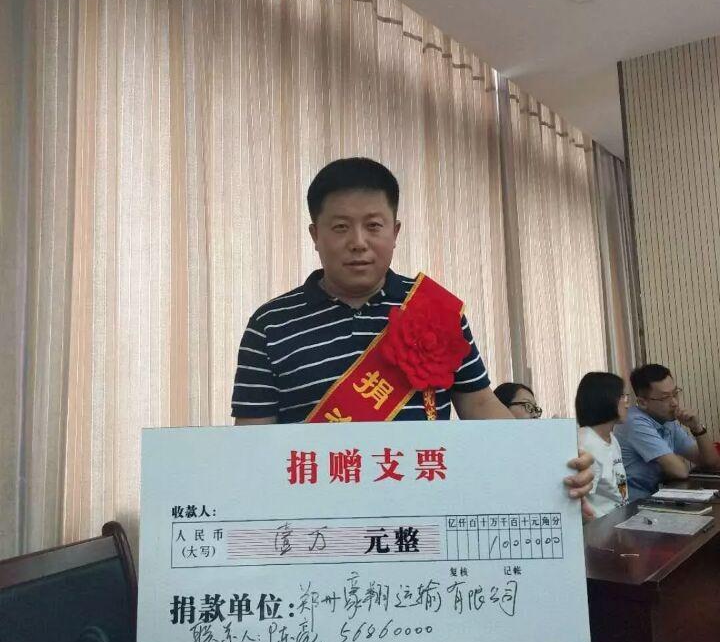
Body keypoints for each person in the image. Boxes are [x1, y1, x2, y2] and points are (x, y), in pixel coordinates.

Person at [231, 157, 594, 510]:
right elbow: (251, 442)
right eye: (340, 227)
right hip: (317, 521)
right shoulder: (269, 324)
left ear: (395, 232)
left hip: (423, 516)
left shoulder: (435, 310)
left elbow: (480, 405)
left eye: (374, 226)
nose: (358, 242)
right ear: (315, 235)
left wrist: (551, 464)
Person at [614, 363, 720, 500]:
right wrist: (675, 464)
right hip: (633, 504)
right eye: (665, 398)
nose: (674, 402)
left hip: (655, 498)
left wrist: (697, 428)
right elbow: (680, 471)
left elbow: (712, 462)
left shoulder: (666, 420)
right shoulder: (634, 422)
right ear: (643, 402)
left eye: (675, 393)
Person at [575, 372, 629, 517]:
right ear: (606, 399)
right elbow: (583, 504)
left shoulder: (611, 437)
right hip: (600, 525)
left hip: (620, 517)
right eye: (623, 397)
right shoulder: (586, 443)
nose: (627, 404)